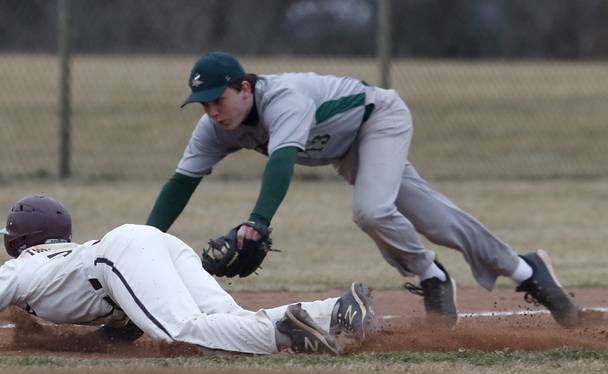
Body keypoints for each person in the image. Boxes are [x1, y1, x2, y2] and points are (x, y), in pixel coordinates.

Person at [145, 51, 581, 328]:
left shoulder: (283, 98)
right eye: (204, 103)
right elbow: (181, 183)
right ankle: (526, 271)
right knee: (433, 219)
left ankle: (432, 274)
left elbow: (281, 162)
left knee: (371, 210)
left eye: (218, 99)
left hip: (377, 118)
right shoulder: (215, 128)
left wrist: (258, 222)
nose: (212, 111)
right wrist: (145, 241)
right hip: (345, 148)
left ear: (244, 88)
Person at [0, 194, 379, 356]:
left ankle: (286, 333)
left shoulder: (19, 269)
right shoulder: (63, 263)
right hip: (149, 245)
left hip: (121, 253)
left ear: (18, 238)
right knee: (224, 320)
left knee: (183, 332)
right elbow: (124, 330)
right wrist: (81, 346)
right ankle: (332, 312)